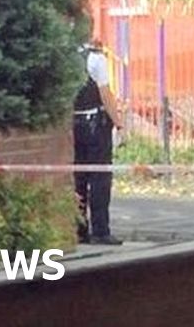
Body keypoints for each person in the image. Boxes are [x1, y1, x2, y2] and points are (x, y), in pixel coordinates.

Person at [73, 40, 124, 245]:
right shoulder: (96, 58)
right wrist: (119, 124)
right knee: (100, 178)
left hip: (75, 124)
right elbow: (105, 93)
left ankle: (80, 230)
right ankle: (101, 231)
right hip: (96, 124)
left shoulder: (69, 56)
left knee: (79, 178)